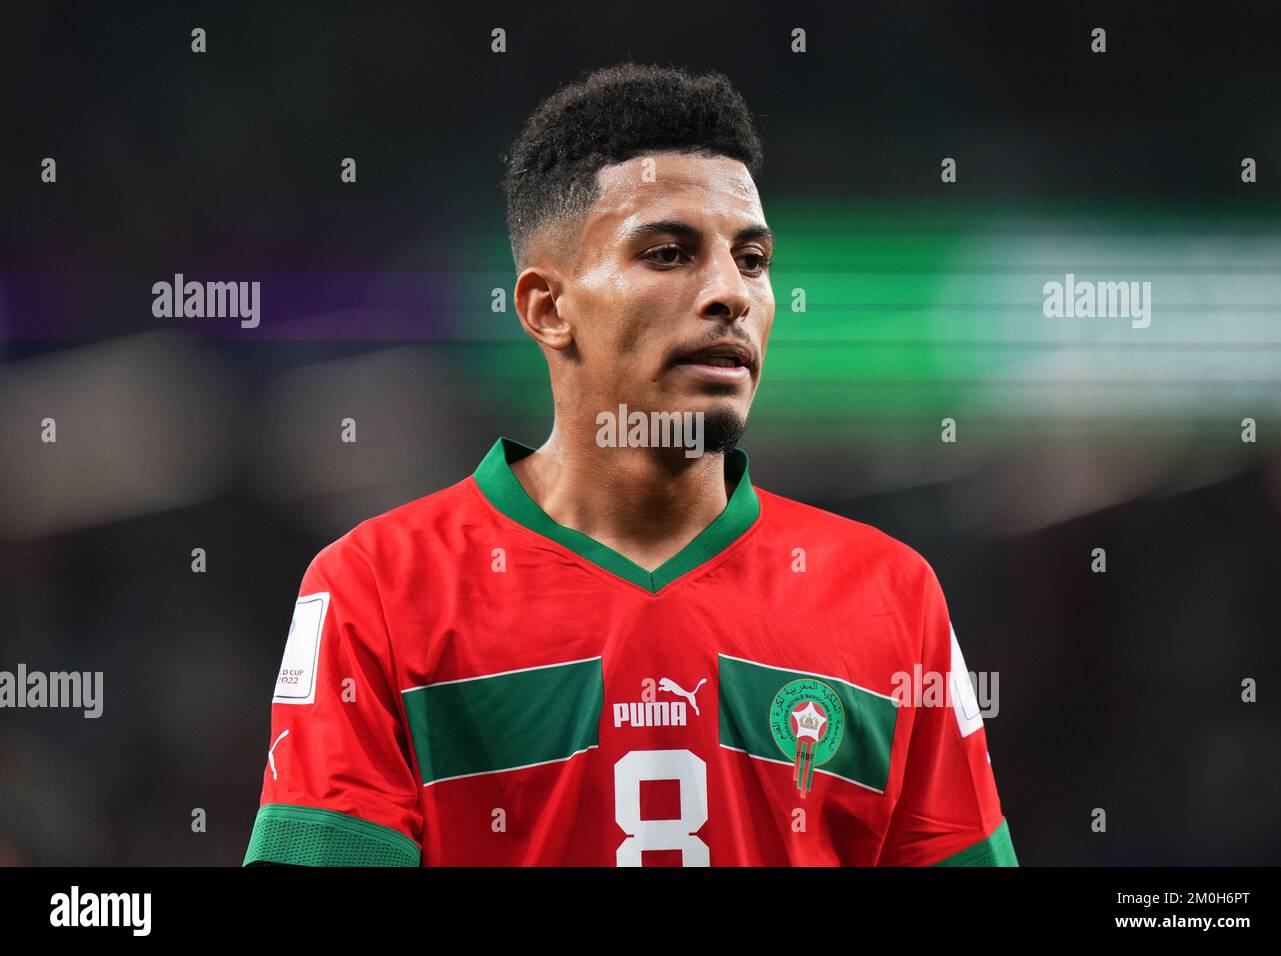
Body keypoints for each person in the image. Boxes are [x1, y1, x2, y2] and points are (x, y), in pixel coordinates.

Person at [243, 62, 1016, 866]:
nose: (731, 293)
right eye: (669, 253)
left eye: (752, 260)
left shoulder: (893, 597)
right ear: (549, 308)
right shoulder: (378, 588)